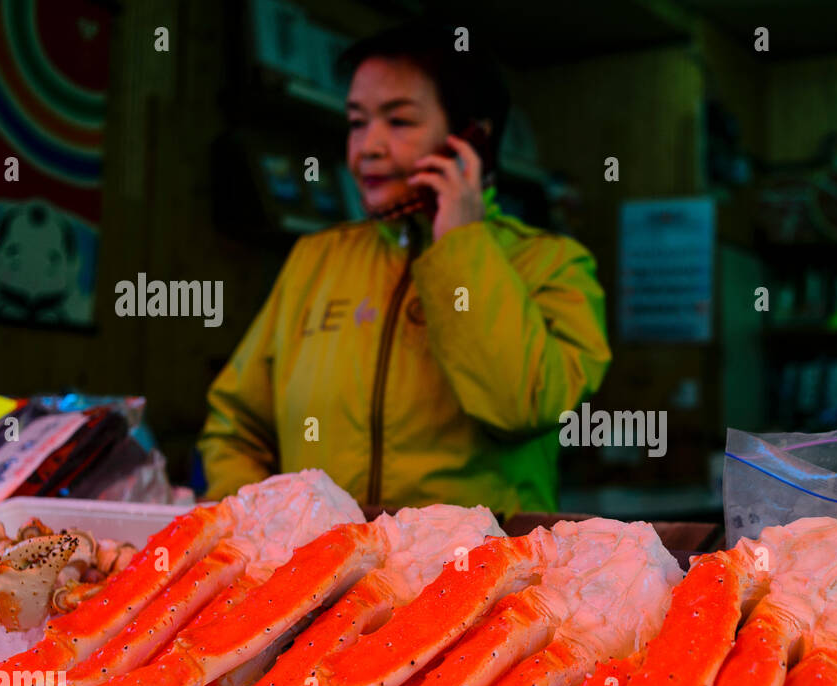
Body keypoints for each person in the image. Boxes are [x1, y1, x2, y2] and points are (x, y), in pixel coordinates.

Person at [197, 21, 610, 515]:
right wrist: (261, 523)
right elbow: (235, 428)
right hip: (319, 577)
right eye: (356, 122)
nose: (367, 147)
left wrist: (460, 244)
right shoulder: (316, 259)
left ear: (471, 138)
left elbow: (518, 406)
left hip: (476, 581)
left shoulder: (554, 264)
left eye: (399, 121)